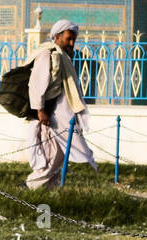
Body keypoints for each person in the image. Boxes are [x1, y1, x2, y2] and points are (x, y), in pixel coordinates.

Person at [26, 19, 97, 189]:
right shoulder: (48, 54)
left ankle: (47, 190)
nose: (72, 43)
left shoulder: (61, 56)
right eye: (68, 39)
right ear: (57, 37)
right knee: (49, 157)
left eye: (73, 39)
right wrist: (40, 110)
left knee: (56, 157)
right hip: (48, 116)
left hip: (60, 117)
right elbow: (37, 84)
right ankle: (31, 187)